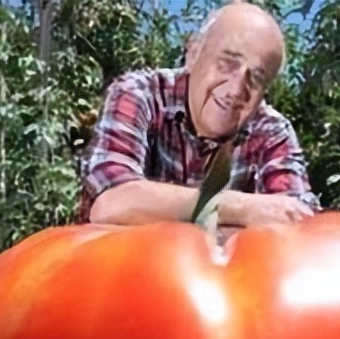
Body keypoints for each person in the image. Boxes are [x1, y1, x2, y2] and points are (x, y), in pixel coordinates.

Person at [78, 1, 319, 227]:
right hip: (120, 265)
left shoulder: (271, 131)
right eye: (227, 62)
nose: (235, 90)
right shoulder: (140, 94)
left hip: (225, 271)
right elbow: (110, 203)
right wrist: (239, 207)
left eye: (256, 78)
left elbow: (297, 219)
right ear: (193, 54)